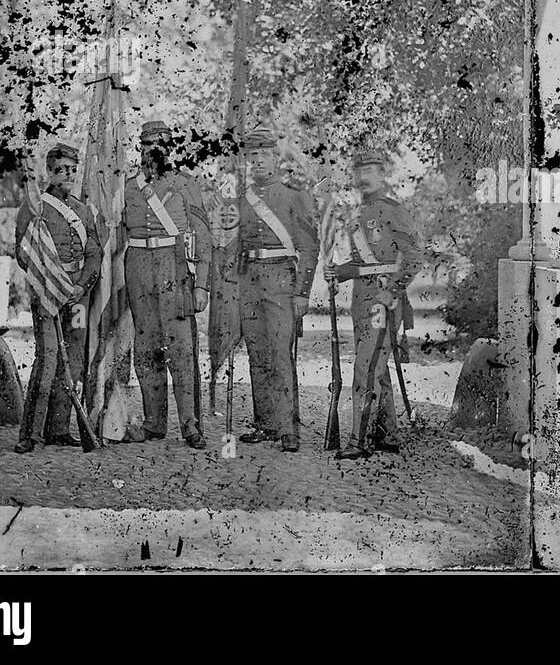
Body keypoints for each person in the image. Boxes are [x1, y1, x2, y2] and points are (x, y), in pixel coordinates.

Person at [325, 151, 425, 460]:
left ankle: (359, 441)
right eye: (359, 171)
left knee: (365, 369)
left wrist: (393, 290)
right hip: (361, 300)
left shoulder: (394, 210)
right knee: (376, 370)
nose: (363, 177)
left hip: (384, 301)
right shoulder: (359, 214)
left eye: (370, 170)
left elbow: (414, 256)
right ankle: (387, 437)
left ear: (383, 175)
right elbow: (364, 264)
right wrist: (338, 272)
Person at [121, 120, 213, 449]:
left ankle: (190, 424)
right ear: (140, 149)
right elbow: (118, 233)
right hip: (138, 270)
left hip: (173, 270)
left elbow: (203, 238)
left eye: (158, 146)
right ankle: (153, 422)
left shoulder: (186, 184)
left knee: (181, 350)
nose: (152, 152)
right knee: (146, 350)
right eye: (146, 147)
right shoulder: (129, 186)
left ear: (169, 149)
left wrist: (202, 285)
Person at [234, 127, 319, 452]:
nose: (257, 162)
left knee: (280, 355)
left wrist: (302, 292)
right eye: (251, 157)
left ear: (275, 159)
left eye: (263, 156)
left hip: (281, 280)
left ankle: (288, 428)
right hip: (248, 280)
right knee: (257, 354)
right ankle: (265, 423)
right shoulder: (241, 200)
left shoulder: (294, 196)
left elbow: (309, 247)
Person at [13, 142, 100, 453]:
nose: (69, 175)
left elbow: (94, 254)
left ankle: (59, 429)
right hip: (47, 294)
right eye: (62, 170)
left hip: (77, 297)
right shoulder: (35, 208)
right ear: (49, 172)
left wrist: (81, 287)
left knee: (73, 361)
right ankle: (31, 434)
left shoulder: (82, 210)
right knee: (48, 359)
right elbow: (24, 254)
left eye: (73, 170)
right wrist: (52, 281)